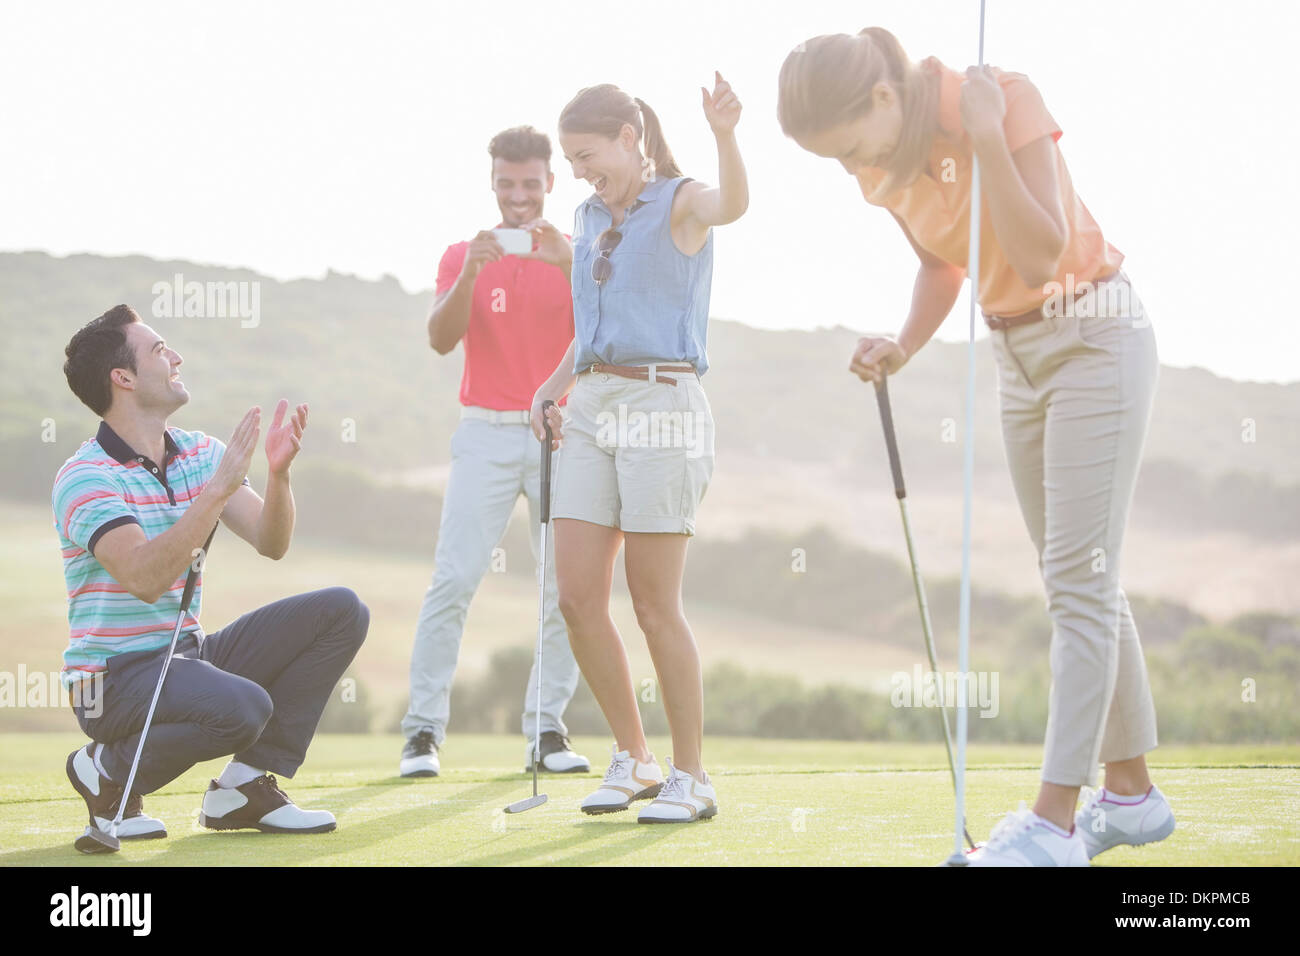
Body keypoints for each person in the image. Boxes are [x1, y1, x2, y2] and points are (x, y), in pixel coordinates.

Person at [778, 27, 1173, 865]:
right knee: (1083, 577)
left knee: (1077, 581)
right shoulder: (883, 169)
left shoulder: (1004, 100)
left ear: (884, 97)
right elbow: (940, 267)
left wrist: (989, 136)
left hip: (1094, 336)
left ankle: (1055, 822)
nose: (854, 170)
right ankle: (1131, 796)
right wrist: (904, 344)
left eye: (850, 148)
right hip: (1015, 356)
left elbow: (1038, 257)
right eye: (834, 161)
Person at [56, 305, 369, 840]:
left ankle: (241, 788)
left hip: (185, 658)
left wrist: (278, 474)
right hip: (107, 683)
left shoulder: (201, 454)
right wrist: (217, 491)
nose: (176, 357)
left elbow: (272, 543)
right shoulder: (86, 477)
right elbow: (144, 575)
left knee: (341, 612)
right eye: (159, 350)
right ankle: (107, 770)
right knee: (244, 707)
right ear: (123, 378)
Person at [528, 73, 748, 823]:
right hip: (590, 402)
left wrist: (725, 134)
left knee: (655, 604)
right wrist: (551, 387)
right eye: (573, 159)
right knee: (577, 597)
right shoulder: (589, 216)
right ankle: (636, 758)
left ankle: (692, 776)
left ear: (630, 138)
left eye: (588, 154)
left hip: (663, 403)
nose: (581, 172)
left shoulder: (683, 200)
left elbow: (736, 205)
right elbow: (591, 324)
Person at [400, 126, 589, 778]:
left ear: (549, 183)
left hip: (558, 429)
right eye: (507, 185)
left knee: (567, 587)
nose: (518, 197)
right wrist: (473, 275)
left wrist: (568, 262)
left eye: (530, 185)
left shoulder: (576, 252)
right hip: (483, 429)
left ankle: (547, 731)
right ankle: (422, 733)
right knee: (454, 579)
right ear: (493, 183)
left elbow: (601, 333)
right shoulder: (462, 255)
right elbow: (438, 340)